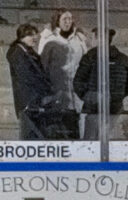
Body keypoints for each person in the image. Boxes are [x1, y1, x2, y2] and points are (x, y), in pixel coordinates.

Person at [73, 28, 128, 140]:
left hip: (93, 108)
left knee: (91, 142)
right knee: (110, 141)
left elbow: (78, 82)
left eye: (93, 37)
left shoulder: (90, 57)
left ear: (98, 39)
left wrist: (89, 96)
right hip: (115, 109)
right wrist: (117, 96)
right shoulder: (123, 59)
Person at [6, 23, 65, 140]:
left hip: (35, 100)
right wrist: (47, 92)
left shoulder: (28, 52)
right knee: (32, 136)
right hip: (30, 101)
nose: (35, 38)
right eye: (30, 35)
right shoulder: (17, 52)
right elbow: (28, 76)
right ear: (21, 37)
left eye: (35, 34)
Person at [37, 9, 88, 138]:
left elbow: (85, 61)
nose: (68, 21)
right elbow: (43, 66)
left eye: (70, 19)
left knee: (76, 129)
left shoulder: (78, 40)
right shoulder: (49, 40)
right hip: (57, 92)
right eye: (64, 19)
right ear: (57, 21)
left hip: (76, 93)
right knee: (58, 130)